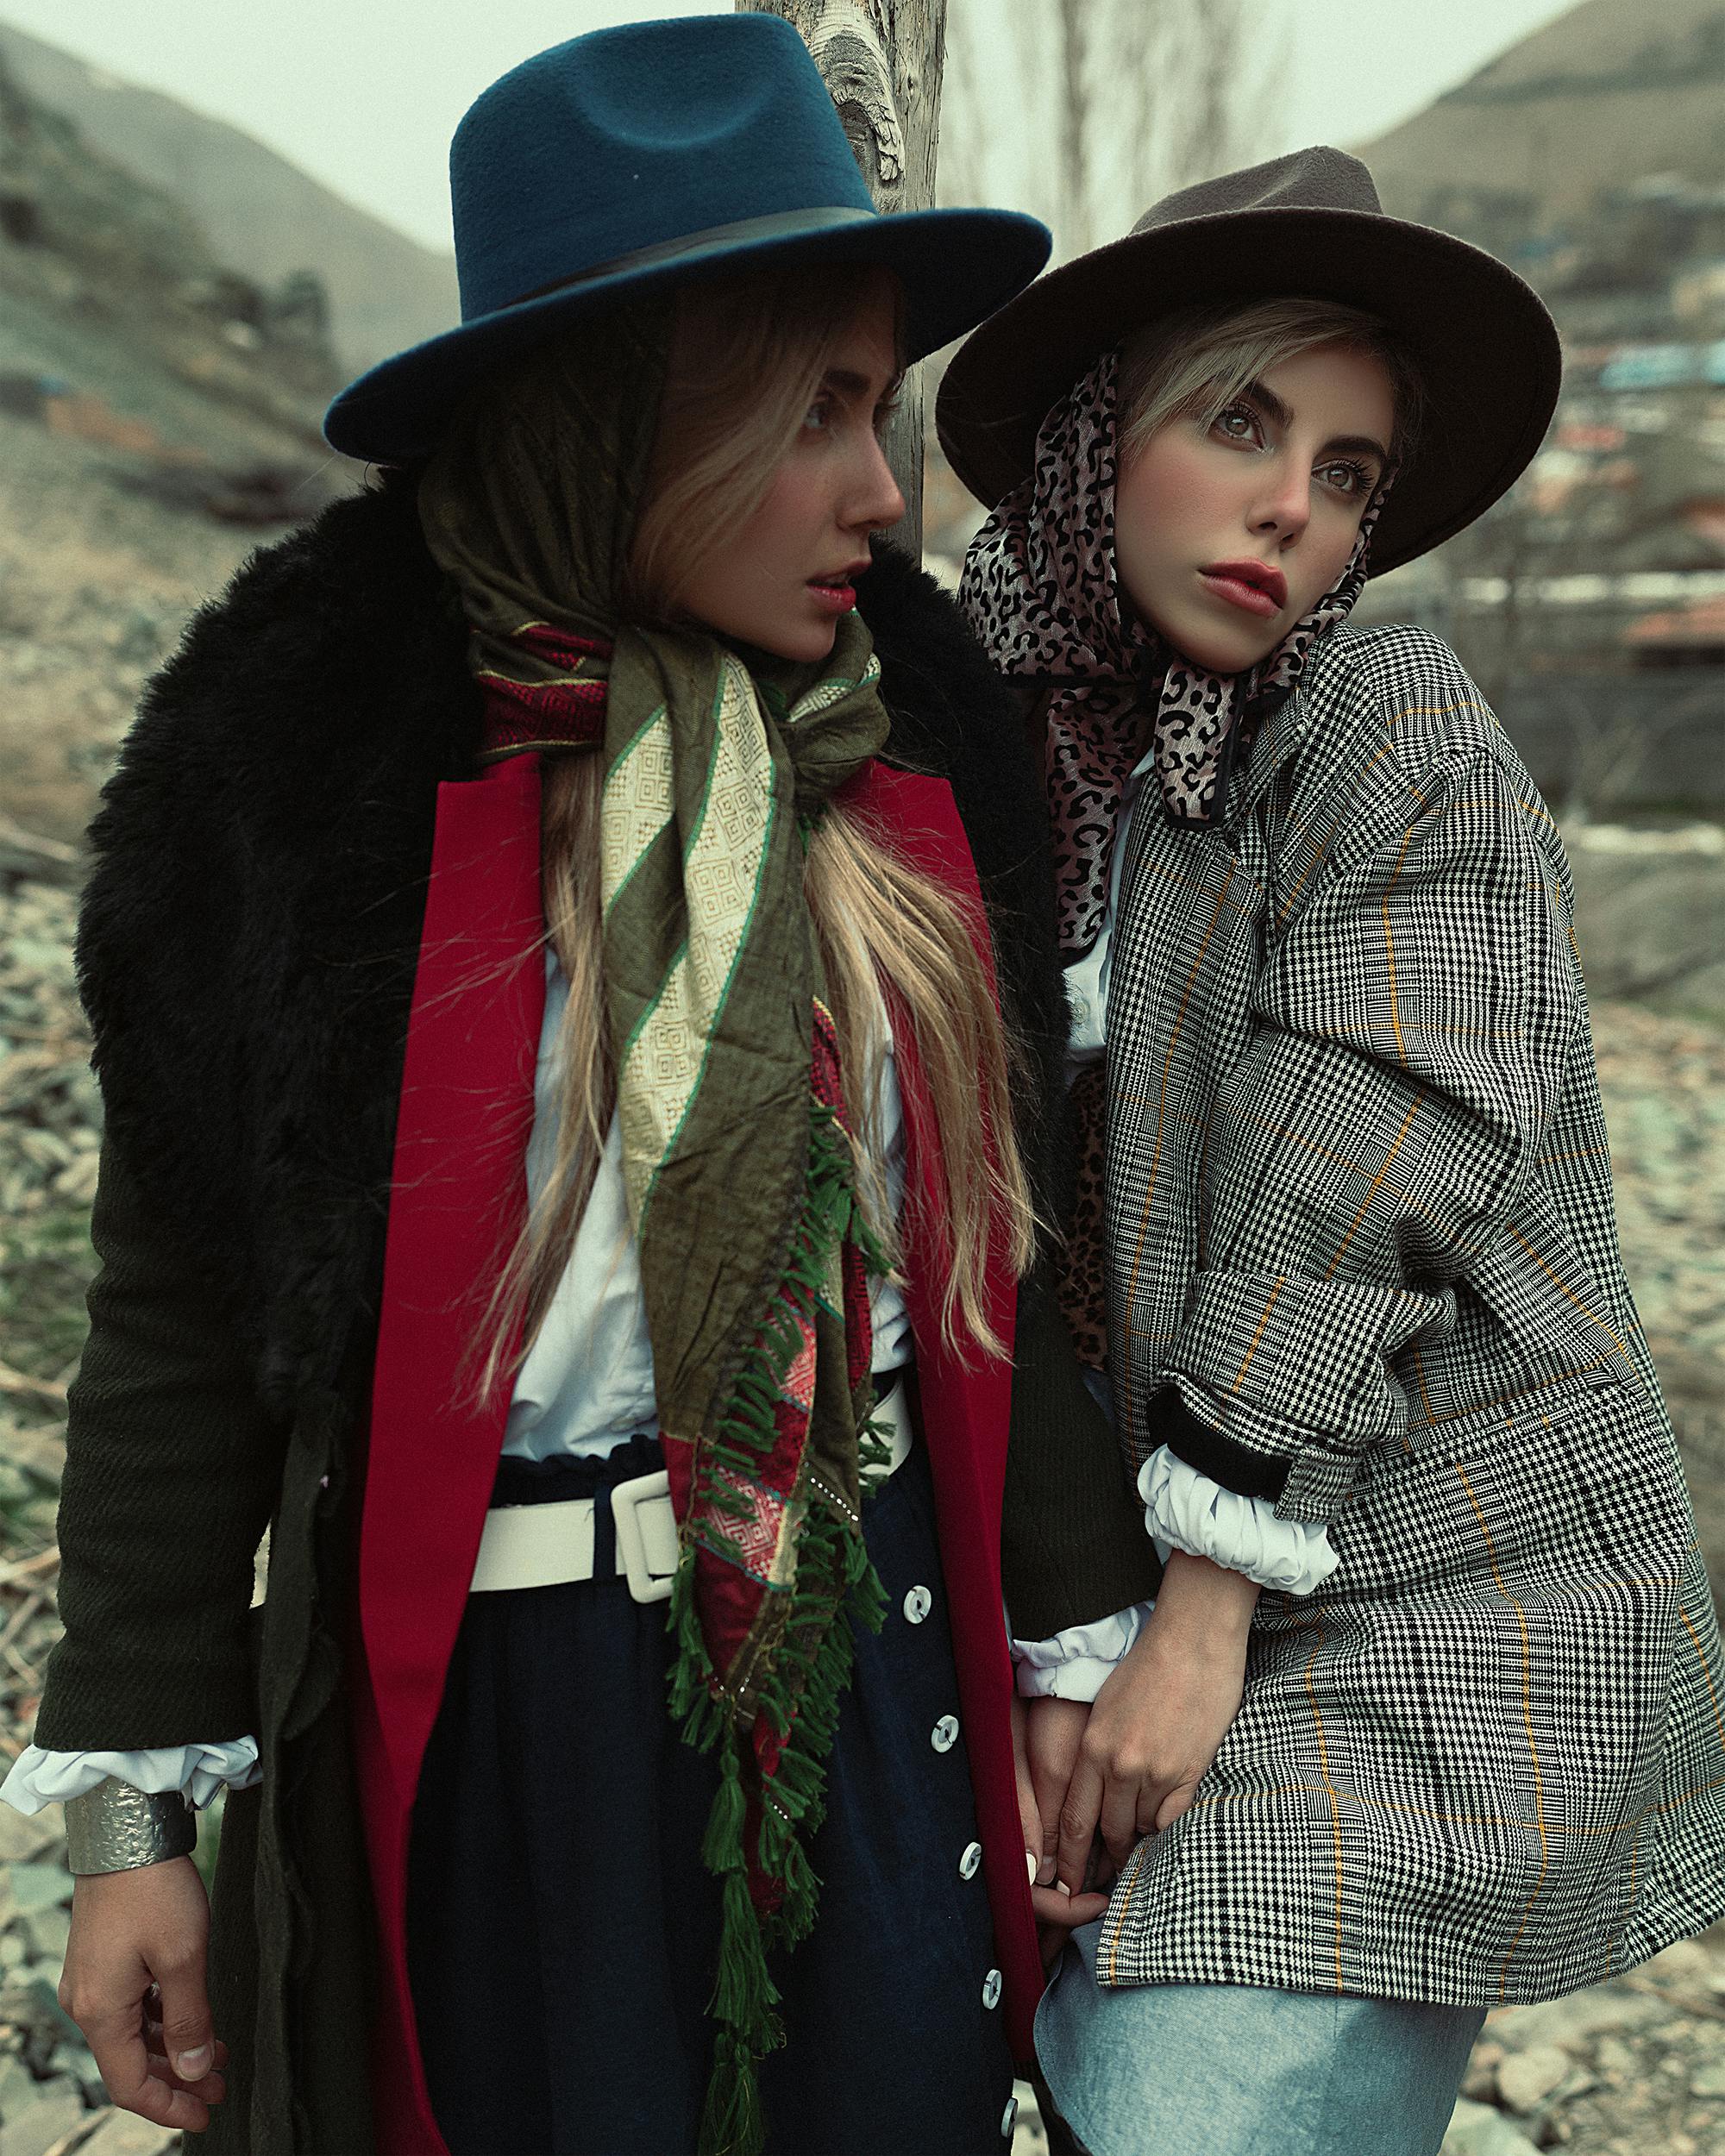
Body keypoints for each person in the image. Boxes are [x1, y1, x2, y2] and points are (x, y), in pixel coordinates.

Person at [2, 20, 1160, 2154]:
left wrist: (1067, 1649)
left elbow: (1003, 1254)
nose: (878, 489)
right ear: (621, 416)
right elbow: (177, 1330)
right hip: (505, 1749)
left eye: (875, 404)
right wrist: (133, 1818)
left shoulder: (915, 759)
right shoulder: (299, 783)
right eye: (811, 409)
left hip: (873, 1670)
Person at [939, 147, 1725, 2156]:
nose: (1298, 505)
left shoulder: (1382, 709)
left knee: (1193, 2113)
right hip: (1125, 1573)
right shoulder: (967, 758)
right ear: (1104, 435)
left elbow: (1369, 1158)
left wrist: (1192, 1613)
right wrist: (1068, 1625)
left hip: (1425, 1582)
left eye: (1353, 471)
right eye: (1244, 422)